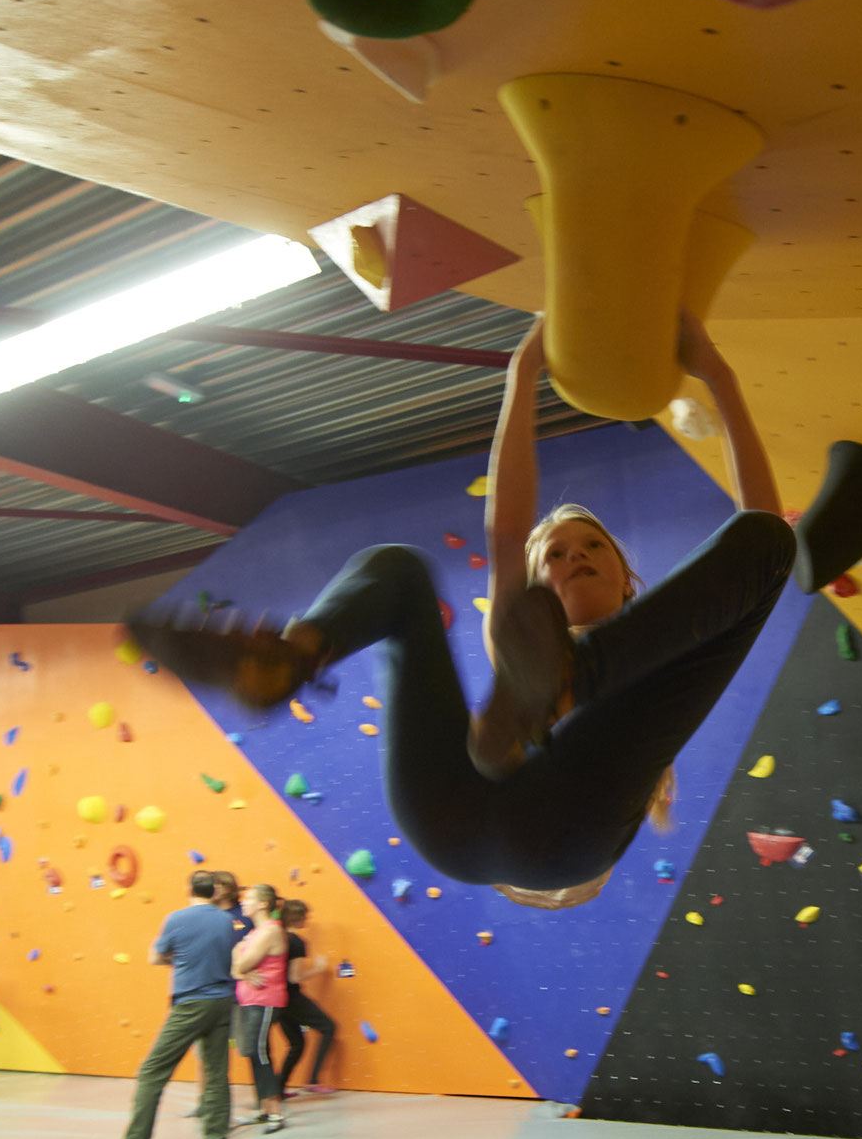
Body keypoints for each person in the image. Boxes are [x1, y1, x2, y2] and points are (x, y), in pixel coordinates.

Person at [134, 315, 794, 907]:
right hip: (478, 813)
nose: (574, 557)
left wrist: (721, 379)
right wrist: (523, 371)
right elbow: (505, 529)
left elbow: (757, 527)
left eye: (592, 546)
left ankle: (576, 679)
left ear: (629, 579)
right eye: (556, 556)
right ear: (539, 593)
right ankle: (296, 654)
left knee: (761, 546)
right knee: (396, 571)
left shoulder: (662, 639)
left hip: (493, 829)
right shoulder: (518, 641)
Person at [99, 868, 237, 1139]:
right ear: (213, 891)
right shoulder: (227, 921)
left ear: (189, 889)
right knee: (216, 1072)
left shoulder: (176, 919)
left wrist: (175, 958)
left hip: (191, 1002)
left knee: (152, 1072)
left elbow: (155, 957)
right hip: (222, 1001)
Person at [231, 884, 288, 1131]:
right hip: (250, 1000)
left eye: (249, 898)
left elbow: (242, 963)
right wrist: (240, 969)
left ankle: (275, 1112)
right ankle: (265, 1109)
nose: (243, 902)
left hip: (265, 1000)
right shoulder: (255, 933)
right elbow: (235, 963)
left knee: (259, 1053)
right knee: (255, 1052)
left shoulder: (269, 932)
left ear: (263, 904)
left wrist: (240, 968)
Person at [275, 900, 338, 1094]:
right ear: (298, 917)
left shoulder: (277, 937)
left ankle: (278, 1089)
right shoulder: (296, 942)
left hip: (277, 999)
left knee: (297, 1043)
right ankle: (312, 1080)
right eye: (305, 916)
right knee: (329, 1027)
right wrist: (317, 969)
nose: (307, 919)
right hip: (292, 997)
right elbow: (294, 977)